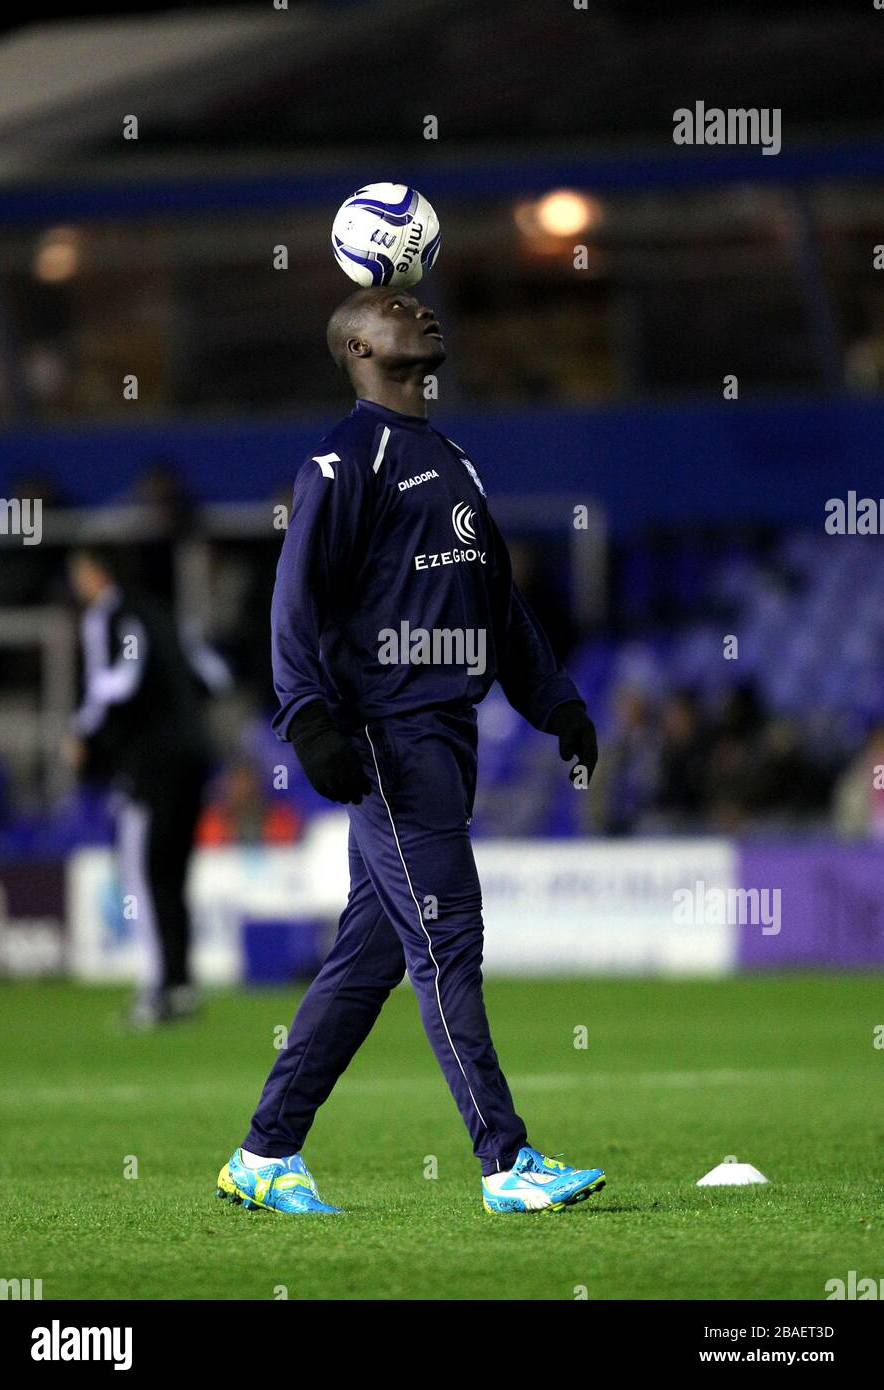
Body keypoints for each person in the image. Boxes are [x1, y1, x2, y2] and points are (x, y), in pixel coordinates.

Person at [216, 287, 604, 1215]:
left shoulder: (450, 457)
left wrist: (556, 701)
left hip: (447, 730)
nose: (421, 311)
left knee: (371, 957)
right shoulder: (344, 461)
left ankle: (265, 1155)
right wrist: (308, 717)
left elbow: (497, 603)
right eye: (394, 306)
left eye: (422, 301)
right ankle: (506, 1165)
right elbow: (294, 598)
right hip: (388, 736)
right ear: (356, 343)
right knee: (449, 937)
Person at [66, 545, 227, 1027]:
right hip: (196, 756)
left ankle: (157, 989)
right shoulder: (169, 615)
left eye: (80, 574)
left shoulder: (106, 616)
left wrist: (80, 734)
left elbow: (112, 684)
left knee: (142, 872)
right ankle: (179, 985)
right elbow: (214, 676)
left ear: (96, 573)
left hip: (150, 763)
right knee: (173, 874)